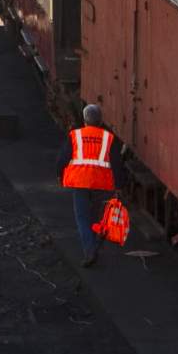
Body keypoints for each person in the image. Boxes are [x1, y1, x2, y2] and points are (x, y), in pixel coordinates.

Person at [59, 103, 117, 266]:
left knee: (82, 218)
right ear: (100, 121)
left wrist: (59, 174)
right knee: (95, 216)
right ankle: (94, 244)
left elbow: (62, 158)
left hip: (80, 183)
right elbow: (116, 163)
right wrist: (119, 184)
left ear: (85, 120)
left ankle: (90, 250)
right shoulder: (108, 138)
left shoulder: (75, 136)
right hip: (101, 184)